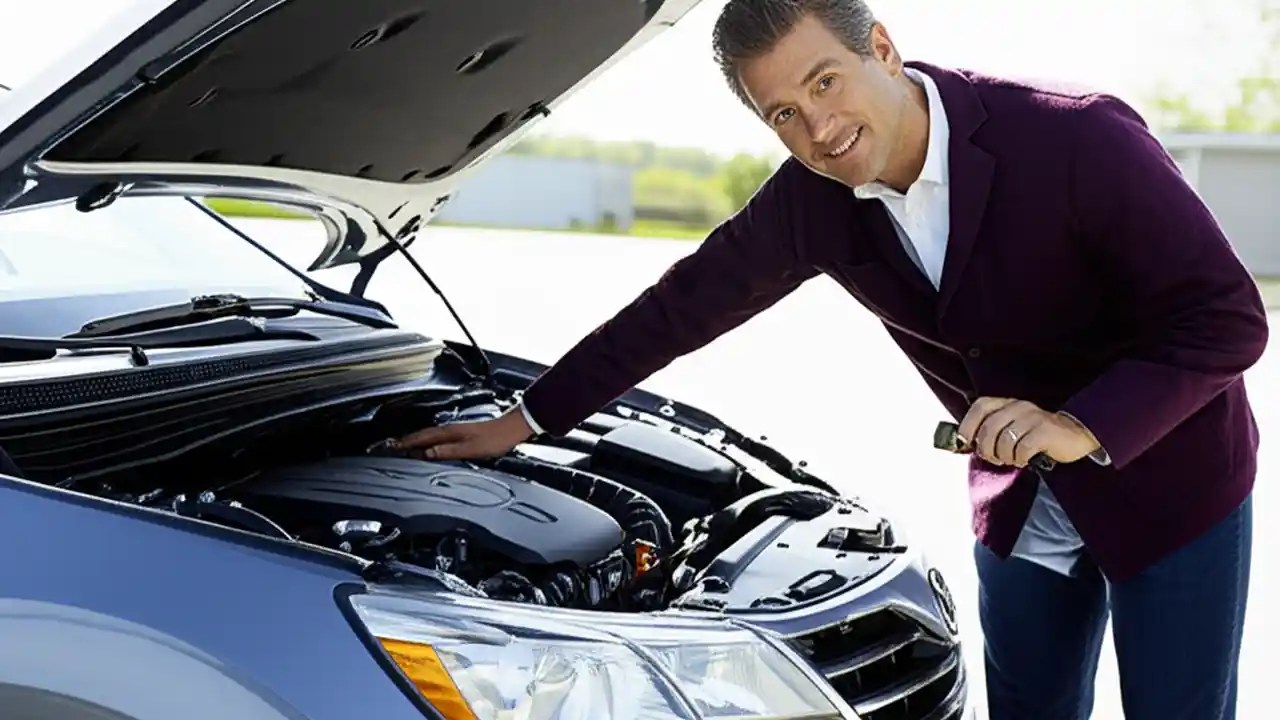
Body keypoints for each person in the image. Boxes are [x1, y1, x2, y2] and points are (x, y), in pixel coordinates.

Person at [393, 1, 1268, 717]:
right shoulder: (809, 203)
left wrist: (1082, 424)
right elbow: (677, 309)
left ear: (882, 49)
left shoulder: (1077, 140)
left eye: (825, 81)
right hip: (1017, 498)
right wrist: (524, 420)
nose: (818, 128)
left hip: (1169, 484)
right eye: (783, 112)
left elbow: (1228, 320)